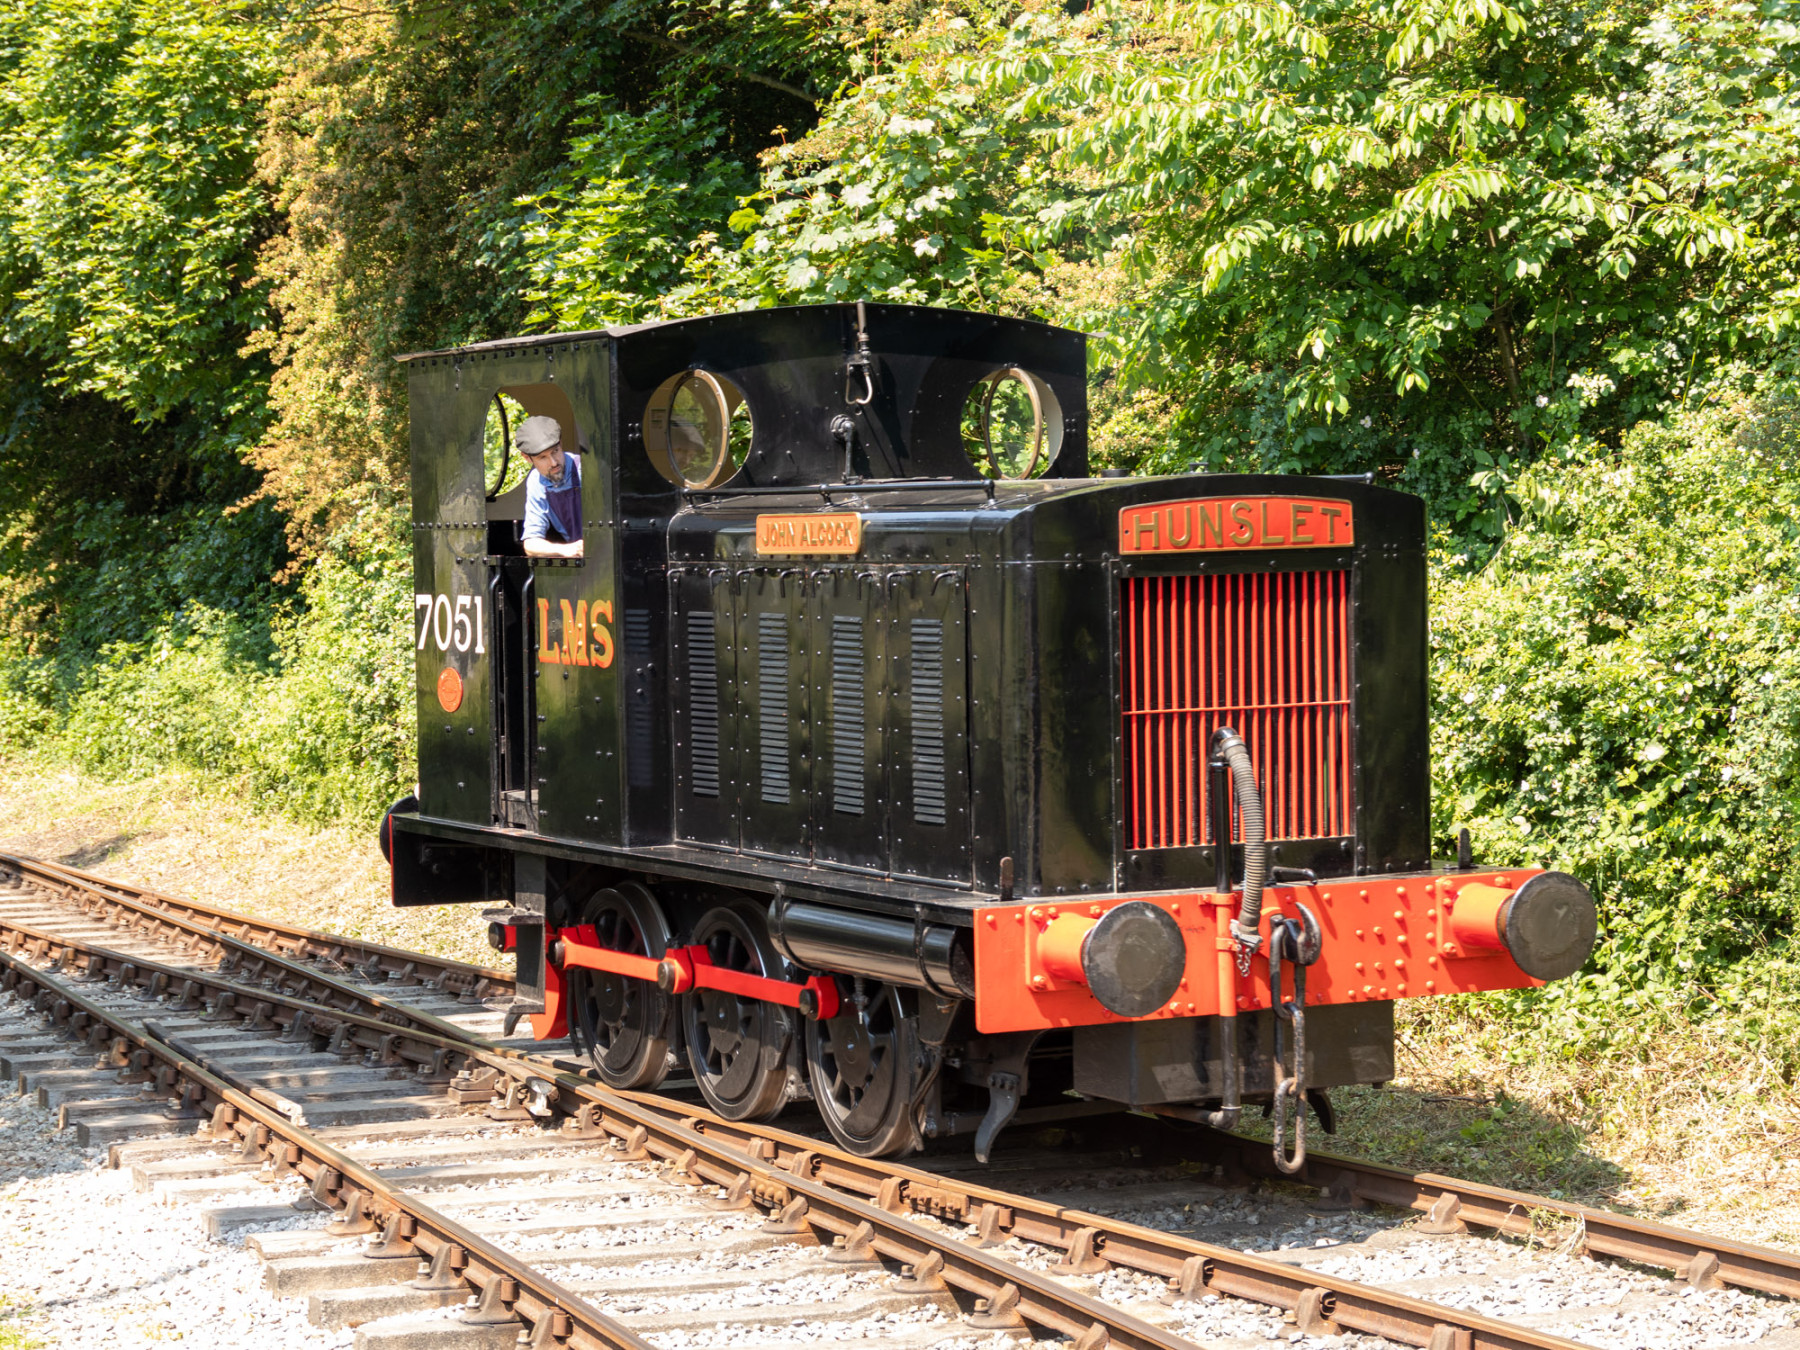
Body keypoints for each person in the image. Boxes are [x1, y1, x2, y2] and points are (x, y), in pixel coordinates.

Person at [517, 415, 584, 559]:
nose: (553, 463)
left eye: (555, 451)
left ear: (561, 443)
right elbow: (530, 545)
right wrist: (565, 549)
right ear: (527, 458)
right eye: (543, 457)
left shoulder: (583, 470)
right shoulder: (536, 482)